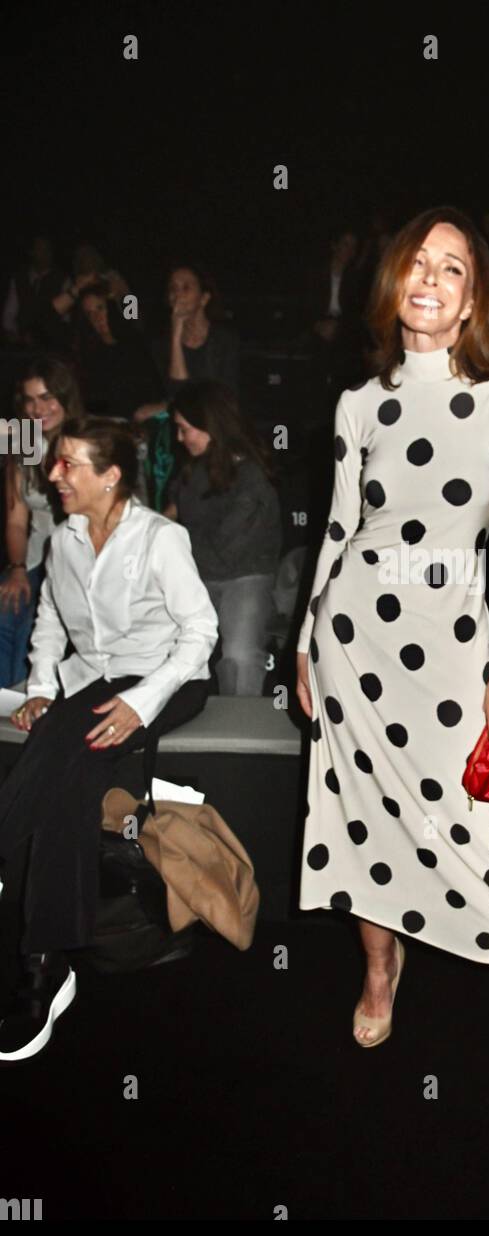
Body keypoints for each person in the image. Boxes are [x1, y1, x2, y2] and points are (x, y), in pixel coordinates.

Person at [294, 205, 489, 1087]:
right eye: (417, 261)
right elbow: (339, 527)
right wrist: (305, 638)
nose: (429, 278)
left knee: (480, 830)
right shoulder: (357, 403)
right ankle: (380, 968)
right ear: (392, 282)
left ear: (472, 301)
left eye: (452, 269)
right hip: (353, 642)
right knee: (360, 814)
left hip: (452, 649)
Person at [0, 418, 218, 1062]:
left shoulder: (160, 538)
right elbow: (48, 617)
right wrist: (41, 682)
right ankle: (47, 967)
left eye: (68, 464)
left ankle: (41, 966)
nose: (54, 474)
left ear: (111, 475)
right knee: (70, 773)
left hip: (169, 677)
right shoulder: (64, 541)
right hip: (95, 682)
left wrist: (142, 701)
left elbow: (200, 632)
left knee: (71, 734)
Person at [163, 379, 282, 695]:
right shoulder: (193, 467)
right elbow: (170, 515)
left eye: (184, 429)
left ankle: (238, 733)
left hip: (243, 577)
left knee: (239, 656)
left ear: (210, 426)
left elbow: (225, 550)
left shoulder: (251, 477)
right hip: (198, 575)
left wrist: (171, 550)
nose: (179, 438)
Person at [0, 357, 85, 688]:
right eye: (30, 399)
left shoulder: (84, 438)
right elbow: (16, 517)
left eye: (47, 397)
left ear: (65, 397)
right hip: (34, 555)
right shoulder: (22, 435)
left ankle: (28, 702)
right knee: (6, 609)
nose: (38, 408)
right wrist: (18, 568)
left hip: (76, 555)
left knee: (32, 626)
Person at [136, 262, 240, 423]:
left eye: (185, 288)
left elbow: (223, 395)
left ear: (204, 298)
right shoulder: (162, 344)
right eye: (173, 288)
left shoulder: (224, 339)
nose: (177, 294)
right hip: (183, 417)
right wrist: (176, 334)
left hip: (218, 418)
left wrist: (166, 407)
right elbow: (177, 393)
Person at [75, 282, 162, 419]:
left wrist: (124, 293)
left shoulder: (136, 341)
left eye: (100, 308)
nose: (96, 318)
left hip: (149, 419)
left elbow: (133, 312)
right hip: (112, 427)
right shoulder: (91, 354)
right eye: (89, 313)